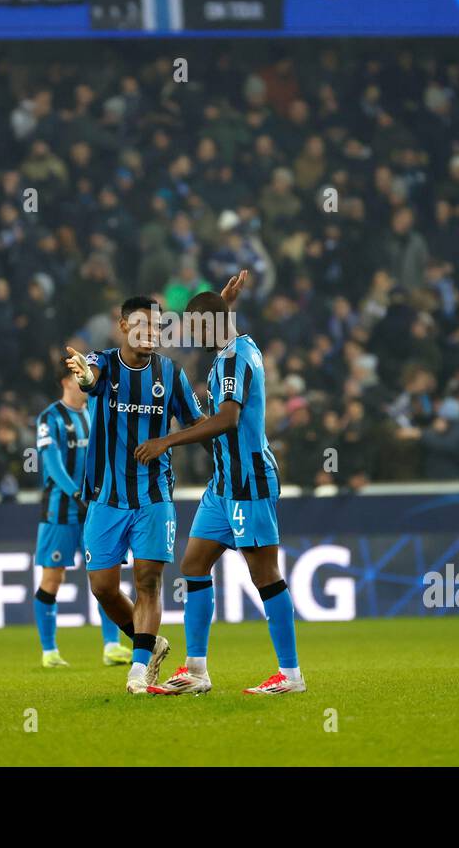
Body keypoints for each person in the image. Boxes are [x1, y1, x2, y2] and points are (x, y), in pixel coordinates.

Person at [133, 271, 306, 696]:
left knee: (264, 573)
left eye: (196, 329)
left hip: (248, 482)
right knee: (193, 565)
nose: (193, 337)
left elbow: (227, 419)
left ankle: (291, 675)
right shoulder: (234, 348)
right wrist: (221, 303)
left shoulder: (233, 359)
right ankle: (196, 671)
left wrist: (167, 440)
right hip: (222, 484)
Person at [64, 295, 205, 695]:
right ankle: (151, 643)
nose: (151, 335)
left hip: (154, 496)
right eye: (142, 327)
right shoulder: (105, 364)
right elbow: (88, 378)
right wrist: (83, 376)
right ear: (124, 327)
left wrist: (169, 441)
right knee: (103, 587)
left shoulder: (171, 374)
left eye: (157, 328)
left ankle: (138, 669)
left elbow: (198, 425)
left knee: (148, 580)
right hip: (106, 497)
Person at [33, 369, 133, 668]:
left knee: (105, 575)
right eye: (78, 376)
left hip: (95, 509)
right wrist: (77, 494)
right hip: (60, 511)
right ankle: (49, 651)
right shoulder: (49, 418)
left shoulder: (93, 413)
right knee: (53, 578)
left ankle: (111, 646)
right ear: (65, 381)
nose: (86, 381)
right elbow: (52, 464)